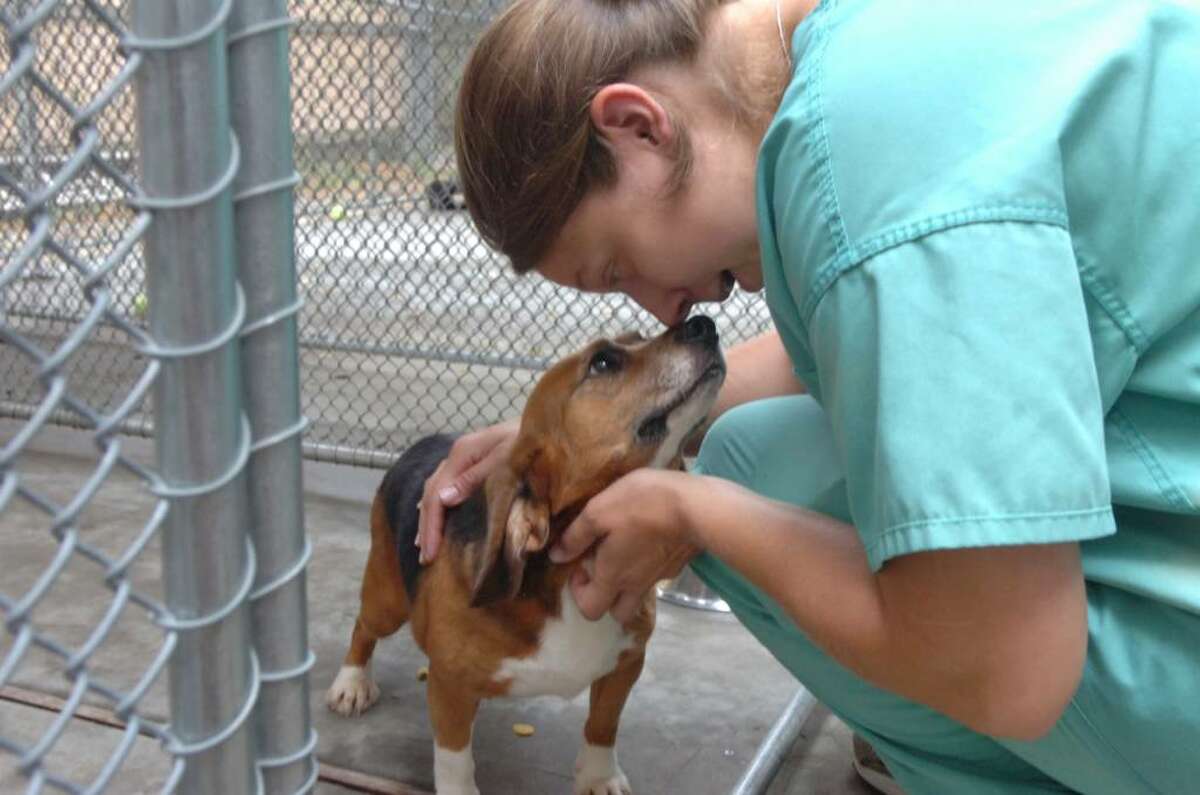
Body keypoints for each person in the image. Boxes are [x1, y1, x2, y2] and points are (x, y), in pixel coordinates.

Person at [416, 1, 1200, 792]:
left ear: (639, 128)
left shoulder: (864, 173)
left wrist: (693, 512)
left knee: (751, 485)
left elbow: (1012, 669)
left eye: (618, 266)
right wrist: (559, 436)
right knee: (751, 449)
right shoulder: (871, 50)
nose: (665, 309)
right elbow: (884, 353)